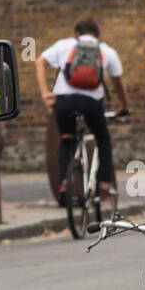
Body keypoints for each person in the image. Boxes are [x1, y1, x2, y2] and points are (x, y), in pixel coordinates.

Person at [36, 18, 130, 202]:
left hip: (64, 102)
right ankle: (103, 185)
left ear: (77, 33)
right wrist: (124, 106)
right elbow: (118, 82)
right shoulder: (106, 51)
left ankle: (64, 181)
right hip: (92, 103)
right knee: (103, 139)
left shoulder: (65, 45)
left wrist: (45, 93)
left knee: (66, 140)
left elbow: (39, 62)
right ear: (97, 35)